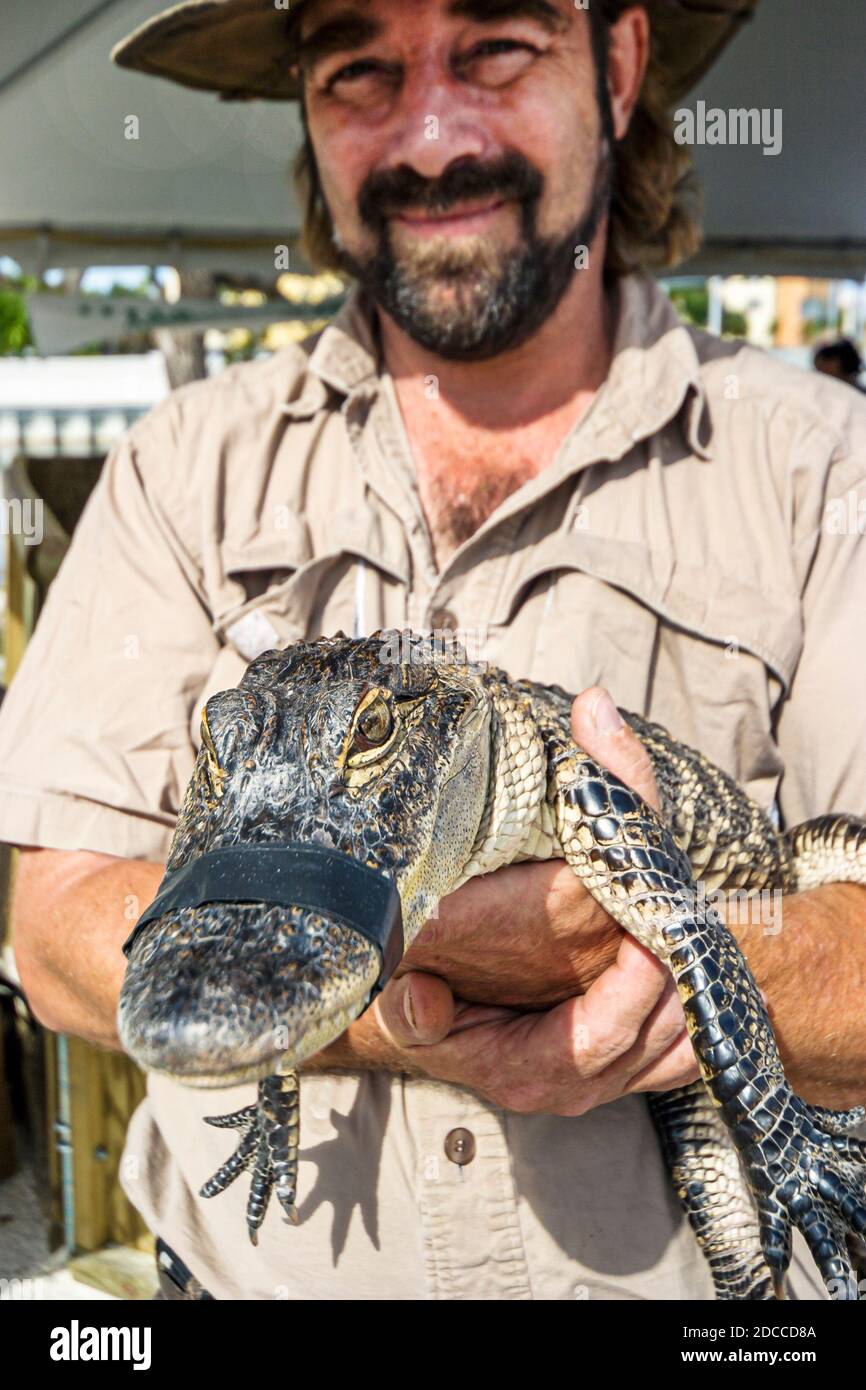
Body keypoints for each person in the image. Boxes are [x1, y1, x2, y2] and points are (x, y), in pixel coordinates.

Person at [2, 0, 866, 1301]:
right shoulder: (182, 464)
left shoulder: (823, 463)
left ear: (616, 66)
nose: (429, 132)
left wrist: (649, 956)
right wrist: (439, 975)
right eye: (359, 67)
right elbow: (61, 931)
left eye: (496, 47)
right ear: (306, 108)